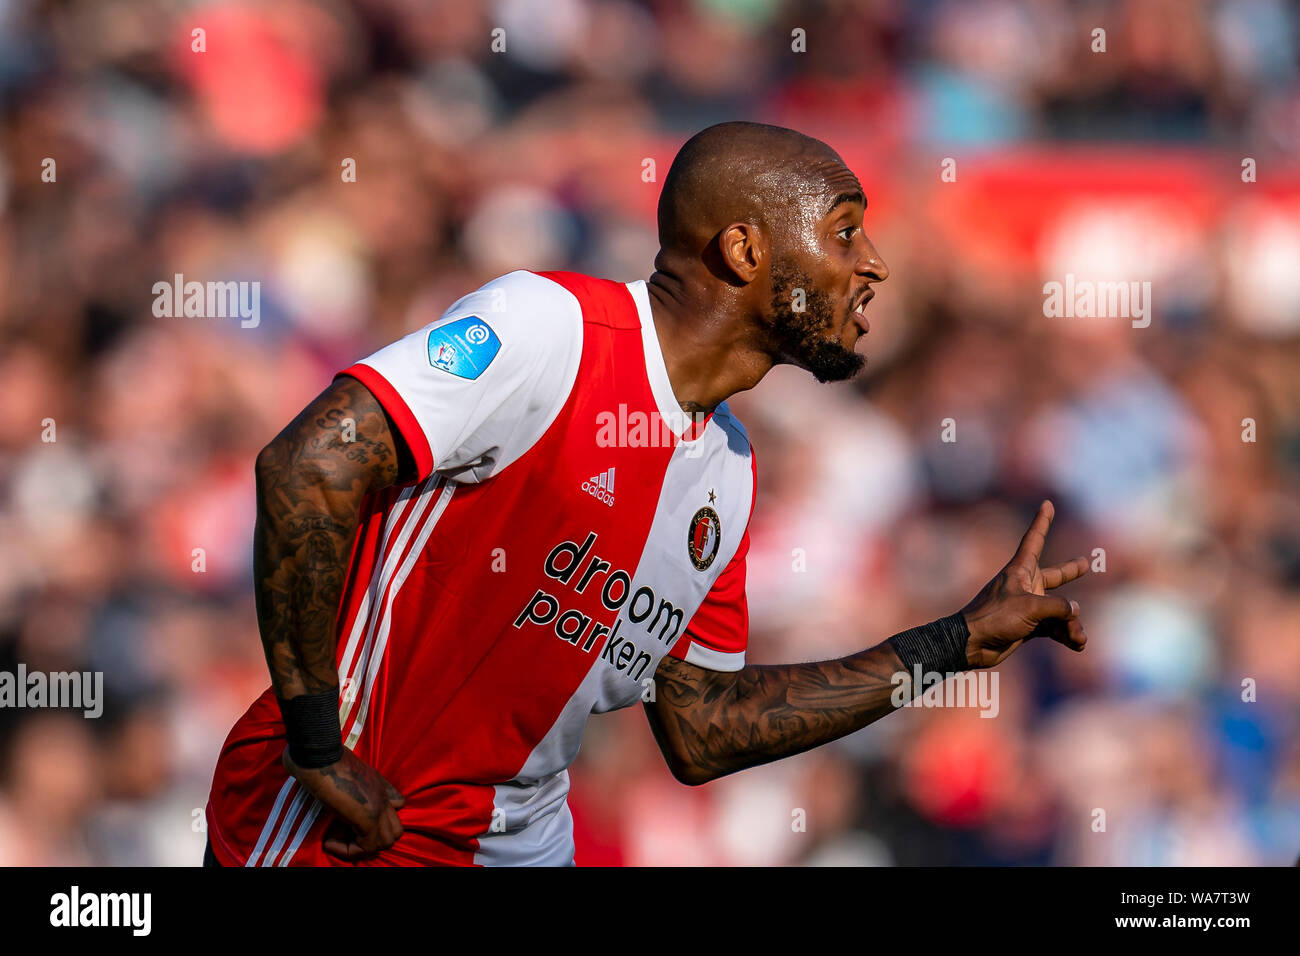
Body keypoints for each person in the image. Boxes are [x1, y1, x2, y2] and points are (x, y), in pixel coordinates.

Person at [204, 121, 1088, 866]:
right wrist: (316, 742)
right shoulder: (551, 330)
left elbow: (704, 728)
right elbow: (309, 464)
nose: (877, 266)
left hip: (524, 846)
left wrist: (952, 643)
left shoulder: (729, 471)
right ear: (744, 250)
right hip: (349, 826)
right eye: (846, 231)